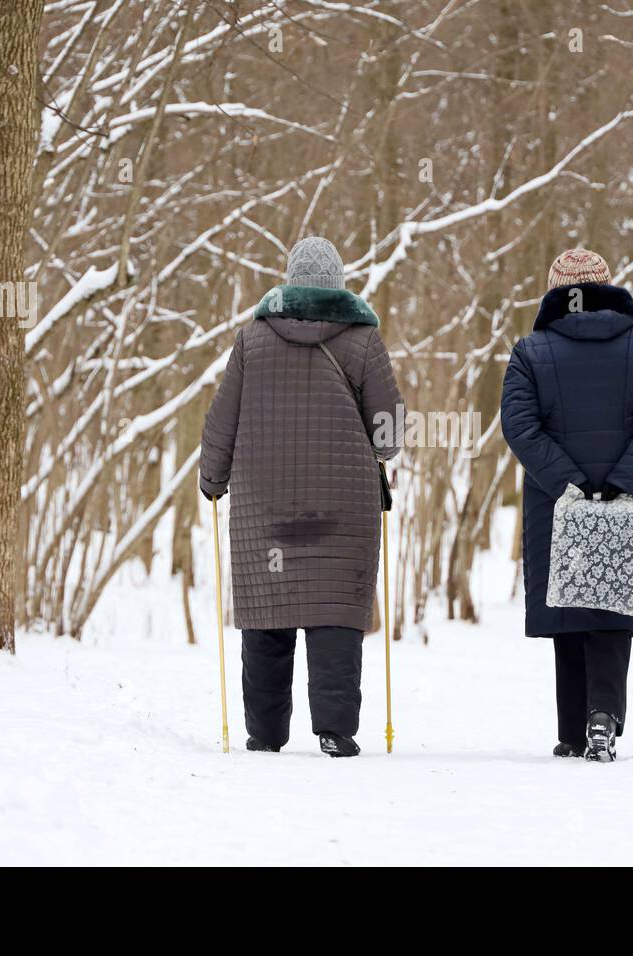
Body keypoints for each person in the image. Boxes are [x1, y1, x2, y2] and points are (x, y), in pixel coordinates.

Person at [199, 237, 403, 757]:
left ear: (290, 282)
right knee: (335, 612)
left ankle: (264, 734)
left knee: (268, 609)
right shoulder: (362, 340)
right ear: (337, 284)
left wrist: (212, 479)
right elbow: (391, 433)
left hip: (262, 505)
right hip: (343, 508)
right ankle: (335, 730)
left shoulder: (252, 339)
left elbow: (222, 418)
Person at [500, 249, 633, 762]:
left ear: (555, 292)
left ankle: (571, 730)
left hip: (557, 500)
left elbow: (519, 425)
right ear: (608, 288)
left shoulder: (530, 351)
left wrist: (568, 483)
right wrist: (627, 480)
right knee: (613, 601)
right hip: (631, 498)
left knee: (569, 604)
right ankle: (602, 714)